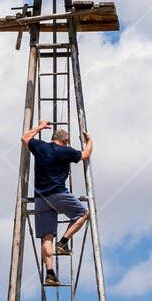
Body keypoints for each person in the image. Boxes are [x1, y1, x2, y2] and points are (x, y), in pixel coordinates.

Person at [22, 121, 91, 287]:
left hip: (40, 198)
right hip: (58, 194)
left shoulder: (40, 147)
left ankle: (50, 273)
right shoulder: (66, 151)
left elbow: (25, 138)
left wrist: (40, 126)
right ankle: (63, 242)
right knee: (83, 214)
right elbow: (85, 155)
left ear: (52, 138)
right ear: (65, 141)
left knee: (47, 237)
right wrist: (90, 141)